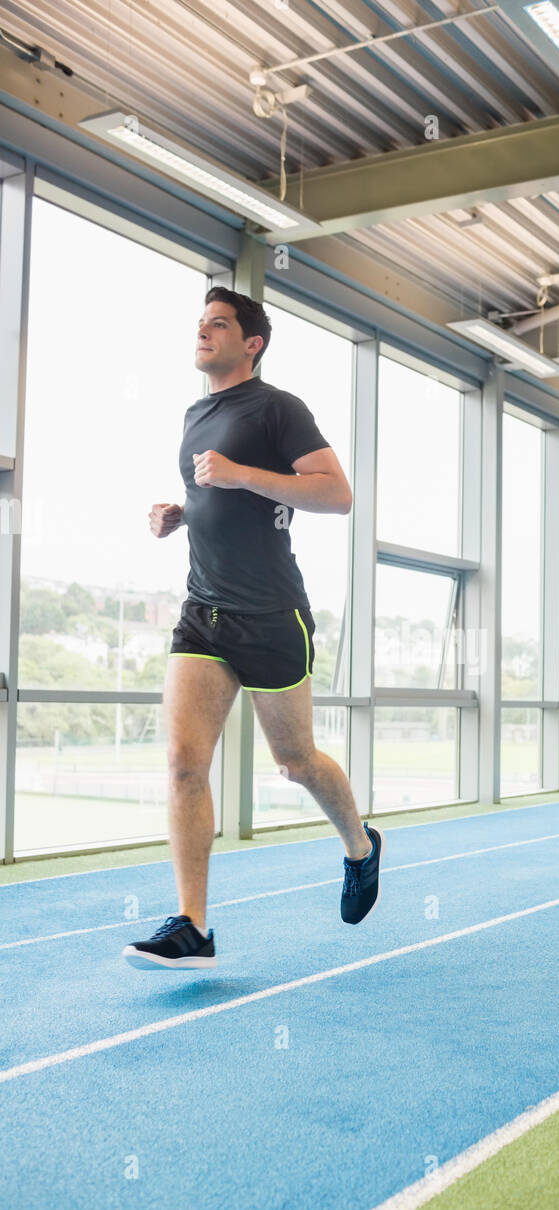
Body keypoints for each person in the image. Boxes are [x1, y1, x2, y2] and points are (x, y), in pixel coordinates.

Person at [123, 289, 382, 970]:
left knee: (295, 763)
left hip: (271, 614)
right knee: (184, 763)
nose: (203, 332)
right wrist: (182, 511)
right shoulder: (195, 412)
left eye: (219, 324)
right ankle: (193, 928)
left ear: (253, 343)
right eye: (200, 323)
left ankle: (360, 845)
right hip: (203, 611)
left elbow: (335, 494)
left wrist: (239, 474)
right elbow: (222, 497)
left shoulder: (278, 408)